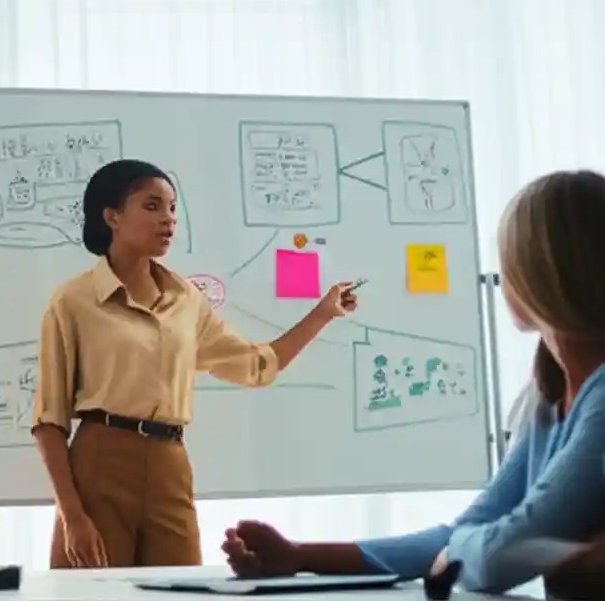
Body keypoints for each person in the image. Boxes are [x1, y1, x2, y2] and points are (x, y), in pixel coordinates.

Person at [221, 169, 605, 594]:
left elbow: (501, 556)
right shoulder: (546, 394)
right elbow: (473, 535)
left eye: (506, 260)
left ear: (543, 271)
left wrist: (460, 552)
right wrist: (300, 555)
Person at [32, 159, 358, 569]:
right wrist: (72, 515)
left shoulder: (186, 300)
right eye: (152, 206)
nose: (168, 219)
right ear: (112, 216)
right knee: (95, 593)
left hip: (170, 463)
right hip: (101, 461)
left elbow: (258, 366)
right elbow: (49, 420)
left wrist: (323, 313)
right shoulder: (73, 301)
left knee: (181, 587)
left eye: (172, 208)